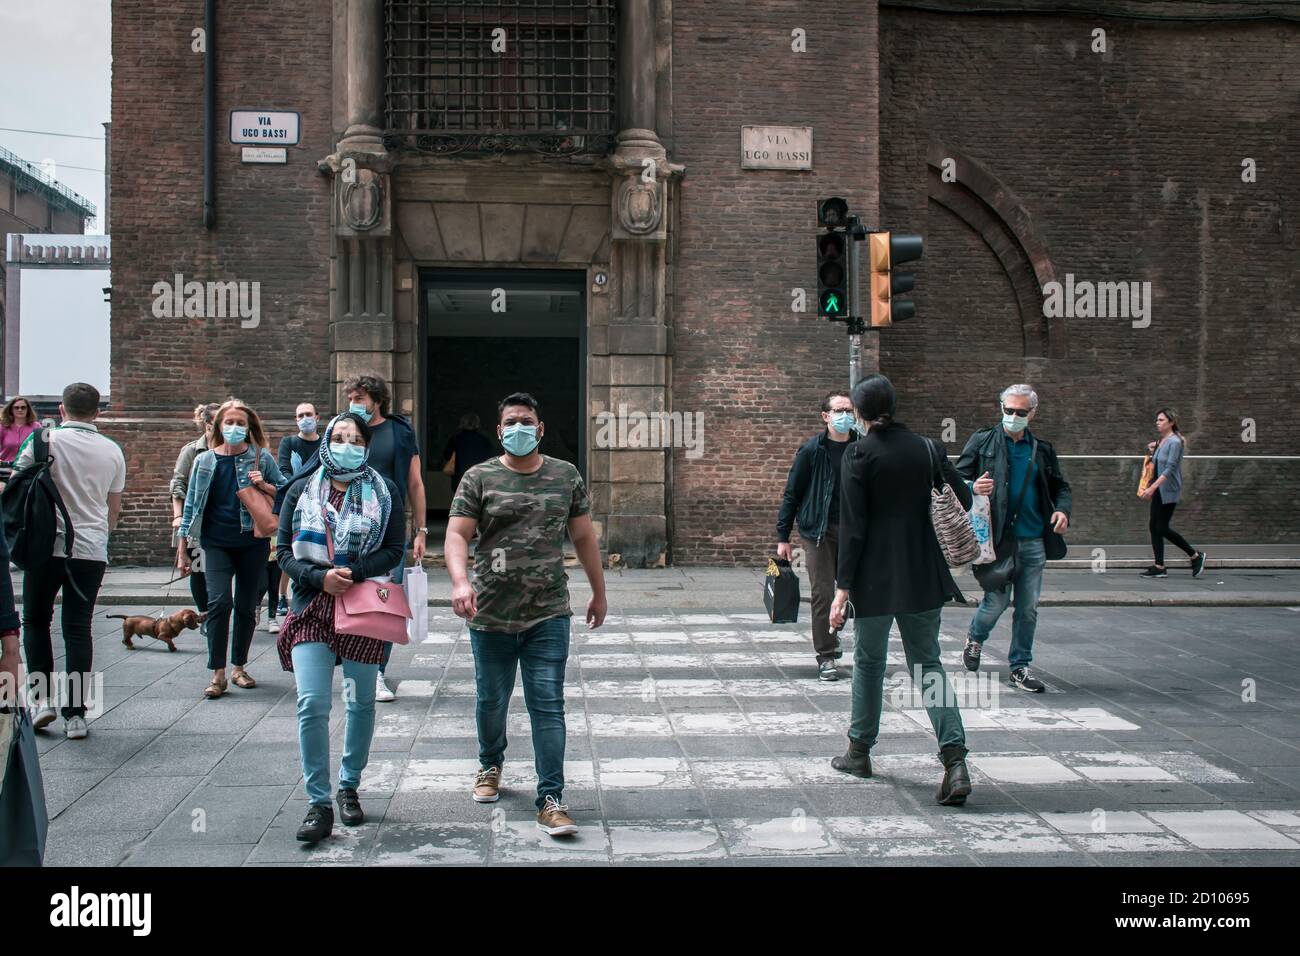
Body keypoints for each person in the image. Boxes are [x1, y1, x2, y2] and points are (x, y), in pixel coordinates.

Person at [446, 391, 607, 837]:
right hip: (491, 611)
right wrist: (460, 581)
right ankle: (489, 763)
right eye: (511, 421)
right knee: (491, 700)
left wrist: (599, 592)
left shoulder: (565, 476)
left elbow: (584, 538)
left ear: (539, 428)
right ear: (500, 431)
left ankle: (551, 797)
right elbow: (458, 535)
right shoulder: (479, 477)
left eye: (527, 421)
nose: (520, 428)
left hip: (548, 612)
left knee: (548, 706)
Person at [828, 374, 973, 806]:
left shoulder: (858, 453)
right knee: (928, 664)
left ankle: (859, 752)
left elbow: (853, 528)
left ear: (859, 412)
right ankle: (955, 759)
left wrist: (841, 589)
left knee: (868, 662)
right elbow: (959, 494)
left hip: (874, 577)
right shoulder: (928, 447)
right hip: (922, 572)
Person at [277, 413, 404, 843]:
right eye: (339, 437)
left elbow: (394, 549)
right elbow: (281, 552)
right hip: (312, 606)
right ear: (327, 441)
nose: (347, 444)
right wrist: (318, 578)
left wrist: (352, 570)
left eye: (356, 439)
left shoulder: (384, 492)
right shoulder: (300, 489)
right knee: (312, 702)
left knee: (360, 702)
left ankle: (349, 784)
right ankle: (318, 800)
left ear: (367, 447)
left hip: (362, 608)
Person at [17, 383, 126, 739]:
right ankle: (76, 715)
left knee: (35, 620)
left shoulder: (42, 441)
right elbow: (113, 508)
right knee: (78, 628)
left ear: (62, 410)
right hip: (90, 549)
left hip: (44, 546)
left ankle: (41, 701)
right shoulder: (112, 451)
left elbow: (15, 488)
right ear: (98, 412)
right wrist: (102, 536)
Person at [954, 384, 1073, 692]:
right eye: (1009, 410)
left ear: (1032, 413)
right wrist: (971, 487)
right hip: (995, 539)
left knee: (1028, 607)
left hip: (1033, 539)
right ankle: (975, 638)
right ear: (1001, 408)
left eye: (1021, 412)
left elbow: (1060, 487)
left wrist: (1062, 511)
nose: (1014, 416)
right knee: (995, 600)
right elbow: (954, 479)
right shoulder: (983, 441)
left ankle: (1019, 667)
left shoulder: (1041, 449)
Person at [177, 398, 287, 699]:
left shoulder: (261, 458)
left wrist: (264, 485)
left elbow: (287, 493)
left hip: (252, 542)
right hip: (215, 543)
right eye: (230, 422)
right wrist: (183, 545)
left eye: (241, 423)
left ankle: (239, 666)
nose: (235, 428)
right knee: (219, 602)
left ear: (249, 427)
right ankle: (218, 672)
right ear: (219, 426)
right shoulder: (204, 460)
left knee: (246, 606)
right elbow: (192, 505)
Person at [343, 374, 426, 702]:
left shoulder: (399, 431)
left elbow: (415, 482)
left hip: (389, 527)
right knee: (348, 598)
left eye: (360, 398)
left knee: (384, 600)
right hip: (347, 525)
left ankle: (376, 671)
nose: (354, 404)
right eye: (351, 397)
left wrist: (421, 530)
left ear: (378, 400)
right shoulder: (343, 429)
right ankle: (354, 665)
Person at [775, 390, 856, 681]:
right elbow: (792, 494)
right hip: (817, 531)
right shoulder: (812, 450)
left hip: (855, 531)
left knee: (856, 591)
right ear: (825, 416)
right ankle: (826, 655)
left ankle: (838, 631)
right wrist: (783, 536)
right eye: (838, 410)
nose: (845, 415)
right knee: (823, 592)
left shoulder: (862, 448)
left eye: (849, 410)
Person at [1141, 408, 1206, 578]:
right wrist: (1153, 448)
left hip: (1167, 489)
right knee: (1153, 526)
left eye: (1161, 420)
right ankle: (1159, 566)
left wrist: (1152, 487)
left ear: (1171, 422)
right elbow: (1157, 462)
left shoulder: (1176, 442)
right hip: (1158, 489)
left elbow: (1170, 469)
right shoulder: (1162, 441)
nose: (1158, 422)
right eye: (1157, 420)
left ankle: (1195, 556)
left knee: (1161, 527)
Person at [171, 403, 221, 624]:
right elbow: (178, 485)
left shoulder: (232, 450)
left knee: (220, 571)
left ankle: (218, 613)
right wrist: (178, 516)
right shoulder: (192, 450)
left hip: (222, 520)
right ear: (208, 424)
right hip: (198, 523)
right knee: (199, 570)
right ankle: (205, 615)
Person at [275, 403, 323, 616]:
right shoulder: (290, 442)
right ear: (296, 420)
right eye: (300, 415)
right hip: (295, 500)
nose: (305, 419)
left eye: (308, 415)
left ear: (317, 417)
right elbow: (284, 470)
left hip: (319, 501)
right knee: (289, 547)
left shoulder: (324, 444)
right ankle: (282, 595)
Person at [441, 412, 494, 494]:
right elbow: (490, 459)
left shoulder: (456, 439)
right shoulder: (484, 440)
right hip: (480, 478)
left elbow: (447, 455)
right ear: (477, 424)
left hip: (460, 479)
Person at [0, 396, 41, 486]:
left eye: (23, 407)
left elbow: (40, 449)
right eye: (16, 407)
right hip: (5, 471)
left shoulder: (36, 426)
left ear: (28, 409)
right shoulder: (3, 426)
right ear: (11, 410)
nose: (20, 410)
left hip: (27, 471)